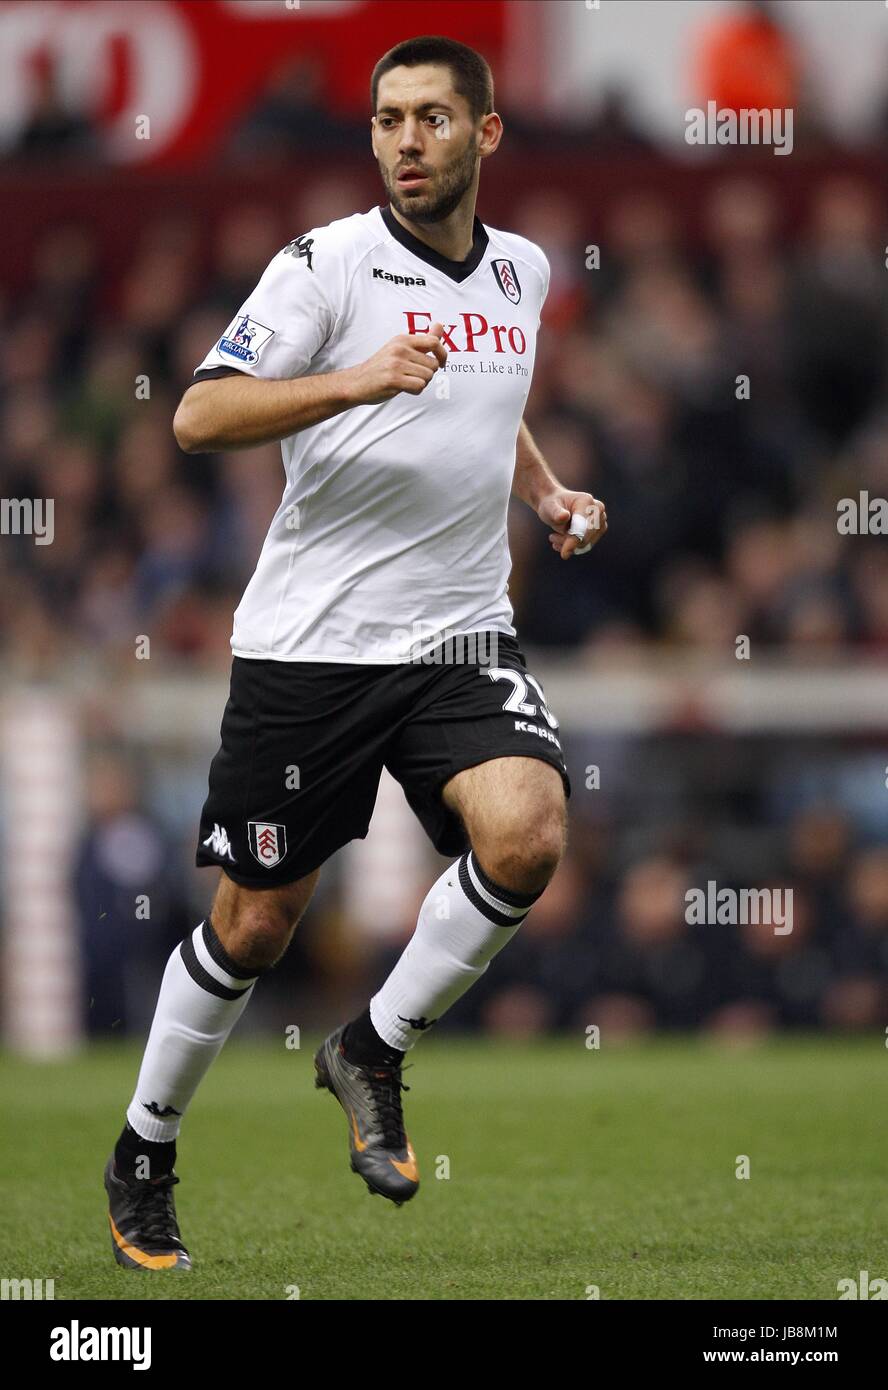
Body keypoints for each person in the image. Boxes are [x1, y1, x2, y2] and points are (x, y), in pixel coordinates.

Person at [103, 35, 607, 1271]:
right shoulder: (325, 266)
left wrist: (541, 493)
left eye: (433, 118)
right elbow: (198, 413)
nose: (405, 141)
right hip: (312, 650)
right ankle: (145, 1146)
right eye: (388, 120)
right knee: (257, 923)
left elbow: (494, 394)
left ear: (485, 135)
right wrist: (351, 380)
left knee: (530, 830)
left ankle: (372, 1046)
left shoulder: (522, 273)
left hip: (456, 633)